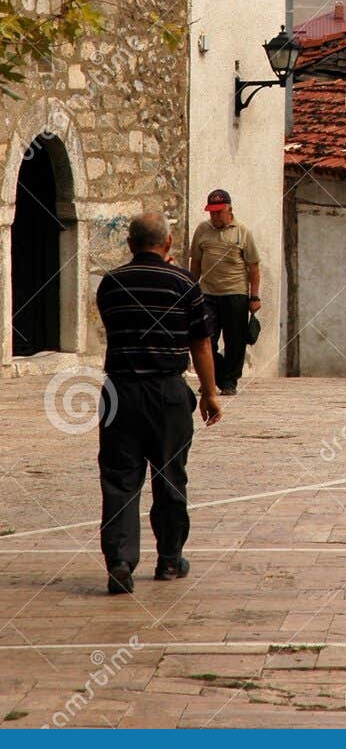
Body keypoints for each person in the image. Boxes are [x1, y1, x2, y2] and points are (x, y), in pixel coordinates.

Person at [95, 211, 222, 595]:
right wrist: (209, 392)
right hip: (167, 392)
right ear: (167, 243)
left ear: (129, 244)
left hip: (120, 392)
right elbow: (201, 342)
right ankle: (169, 559)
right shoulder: (184, 283)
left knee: (120, 480)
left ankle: (120, 561)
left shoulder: (111, 283)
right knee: (170, 477)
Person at [189, 188, 262, 396]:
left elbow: (253, 267)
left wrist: (254, 296)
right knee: (205, 339)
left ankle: (229, 381)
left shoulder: (242, 231)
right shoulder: (202, 230)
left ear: (229, 209)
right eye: (211, 212)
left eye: (218, 212)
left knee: (235, 341)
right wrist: (191, 290)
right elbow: (196, 263)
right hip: (207, 294)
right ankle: (212, 377)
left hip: (235, 293)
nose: (214, 216)